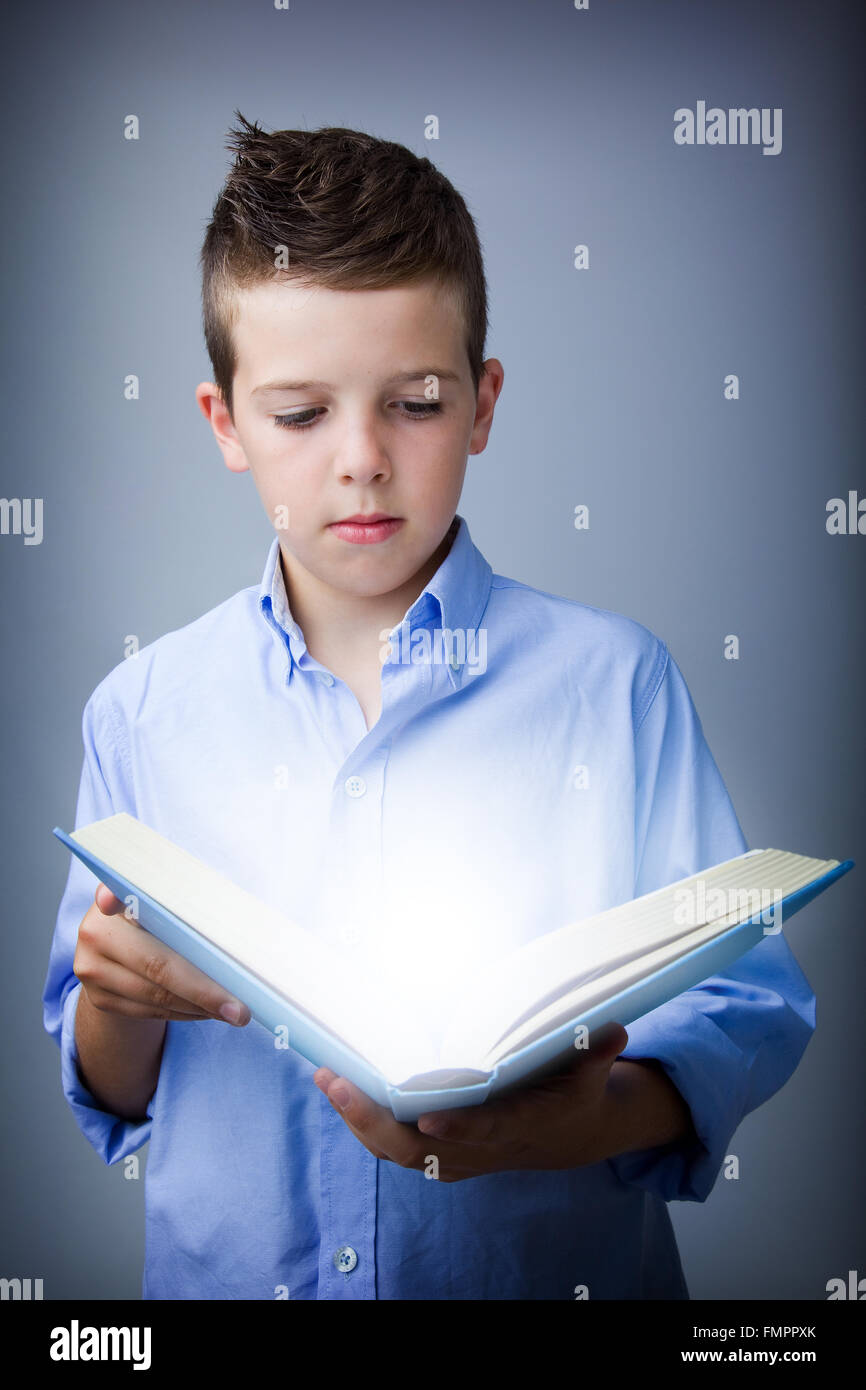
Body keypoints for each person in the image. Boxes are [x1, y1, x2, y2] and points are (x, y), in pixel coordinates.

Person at [43, 115, 815, 1300]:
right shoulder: (143, 711)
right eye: (300, 414)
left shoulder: (615, 683)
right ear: (224, 424)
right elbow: (114, 1087)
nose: (359, 459)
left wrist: (586, 1116)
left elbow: (748, 1002)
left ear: (482, 403)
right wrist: (114, 996)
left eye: (413, 402)